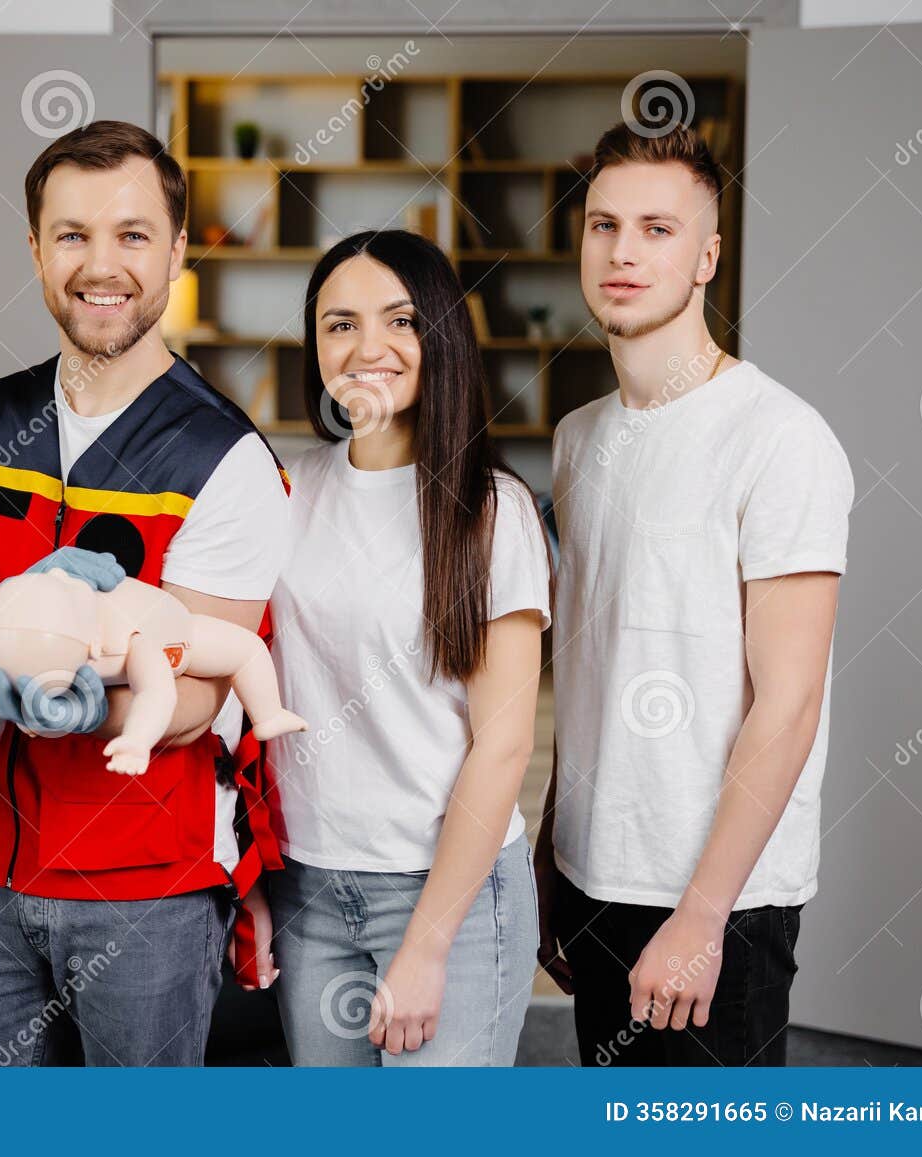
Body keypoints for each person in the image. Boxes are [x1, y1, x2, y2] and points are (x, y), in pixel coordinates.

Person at [0, 120, 291, 1066]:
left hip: (150, 891)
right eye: (73, 235)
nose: (103, 264)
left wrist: (20, 669)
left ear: (178, 249)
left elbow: (193, 705)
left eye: (134, 234)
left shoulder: (228, 460)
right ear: (36, 250)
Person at [537, 122, 854, 1066]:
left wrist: (702, 915)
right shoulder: (578, 440)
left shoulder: (778, 437)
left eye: (657, 229)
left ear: (708, 256)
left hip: (720, 895)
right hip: (593, 875)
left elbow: (789, 704)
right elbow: (587, 670)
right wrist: (556, 847)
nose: (623, 251)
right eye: (603, 225)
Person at [260, 230, 550, 1066]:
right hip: (308, 885)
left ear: (443, 337)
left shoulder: (493, 510)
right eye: (339, 323)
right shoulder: (285, 487)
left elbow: (505, 744)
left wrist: (426, 944)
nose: (366, 349)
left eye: (400, 321)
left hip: (444, 896)